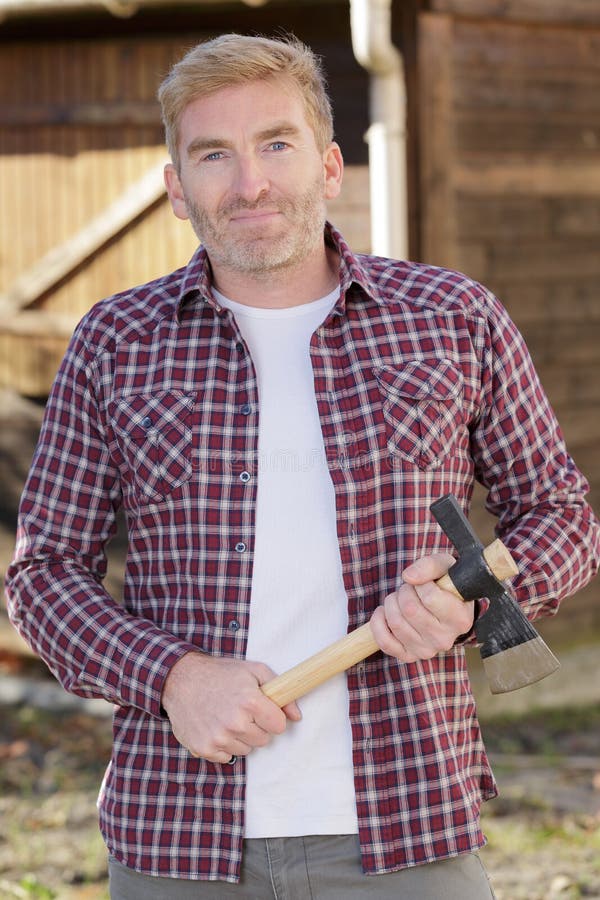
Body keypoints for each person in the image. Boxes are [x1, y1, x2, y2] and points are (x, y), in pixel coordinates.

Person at [5, 32, 599, 899]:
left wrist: (470, 606)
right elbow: (44, 576)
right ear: (176, 187)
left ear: (329, 166)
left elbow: (563, 515)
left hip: (410, 829)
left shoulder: (452, 317)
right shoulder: (116, 342)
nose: (250, 183)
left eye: (276, 144)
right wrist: (173, 678)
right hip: (180, 836)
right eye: (215, 154)